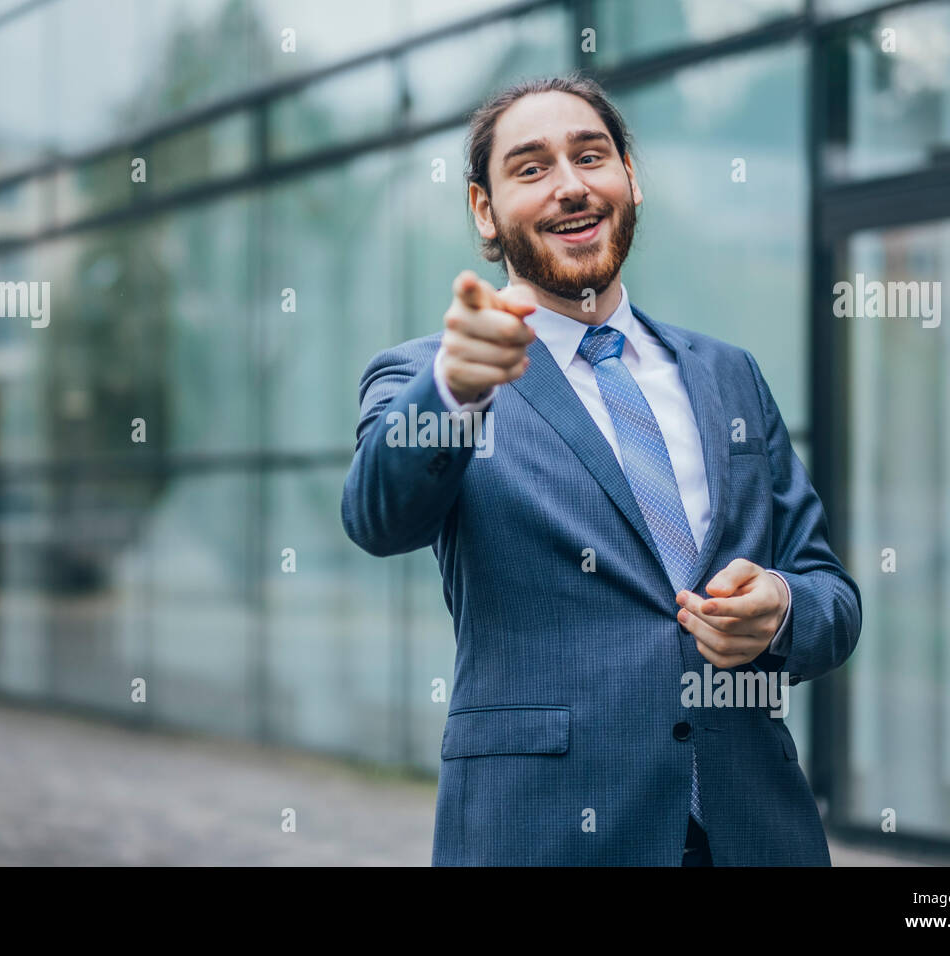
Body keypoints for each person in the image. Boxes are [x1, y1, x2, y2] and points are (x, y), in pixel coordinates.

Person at [341, 72, 861, 866]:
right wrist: (454, 387)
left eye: (590, 157)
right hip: (545, 834)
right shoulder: (430, 375)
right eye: (531, 168)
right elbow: (378, 516)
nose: (571, 186)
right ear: (484, 209)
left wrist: (783, 608)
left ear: (630, 179)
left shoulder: (729, 375)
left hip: (752, 834)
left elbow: (832, 593)